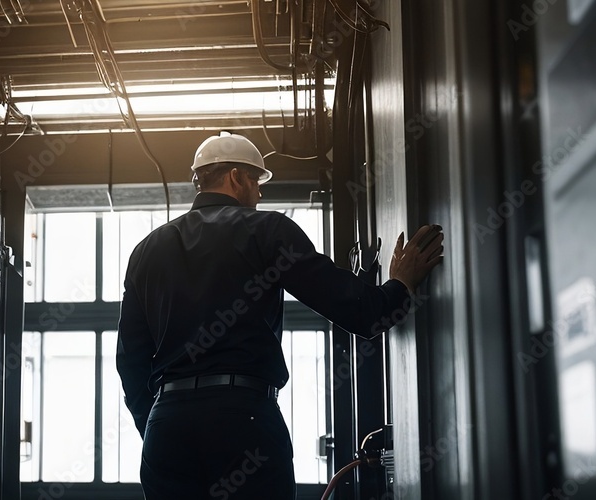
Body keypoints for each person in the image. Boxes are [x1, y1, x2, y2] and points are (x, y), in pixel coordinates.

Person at [115, 132, 444, 499]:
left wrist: (160, 423)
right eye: (256, 182)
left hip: (167, 425)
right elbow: (362, 314)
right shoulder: (265, 230)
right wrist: (399, 285)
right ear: (237, 177)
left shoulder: (145, 251)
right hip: (242, 419)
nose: (258, 194)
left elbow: (130, 361)